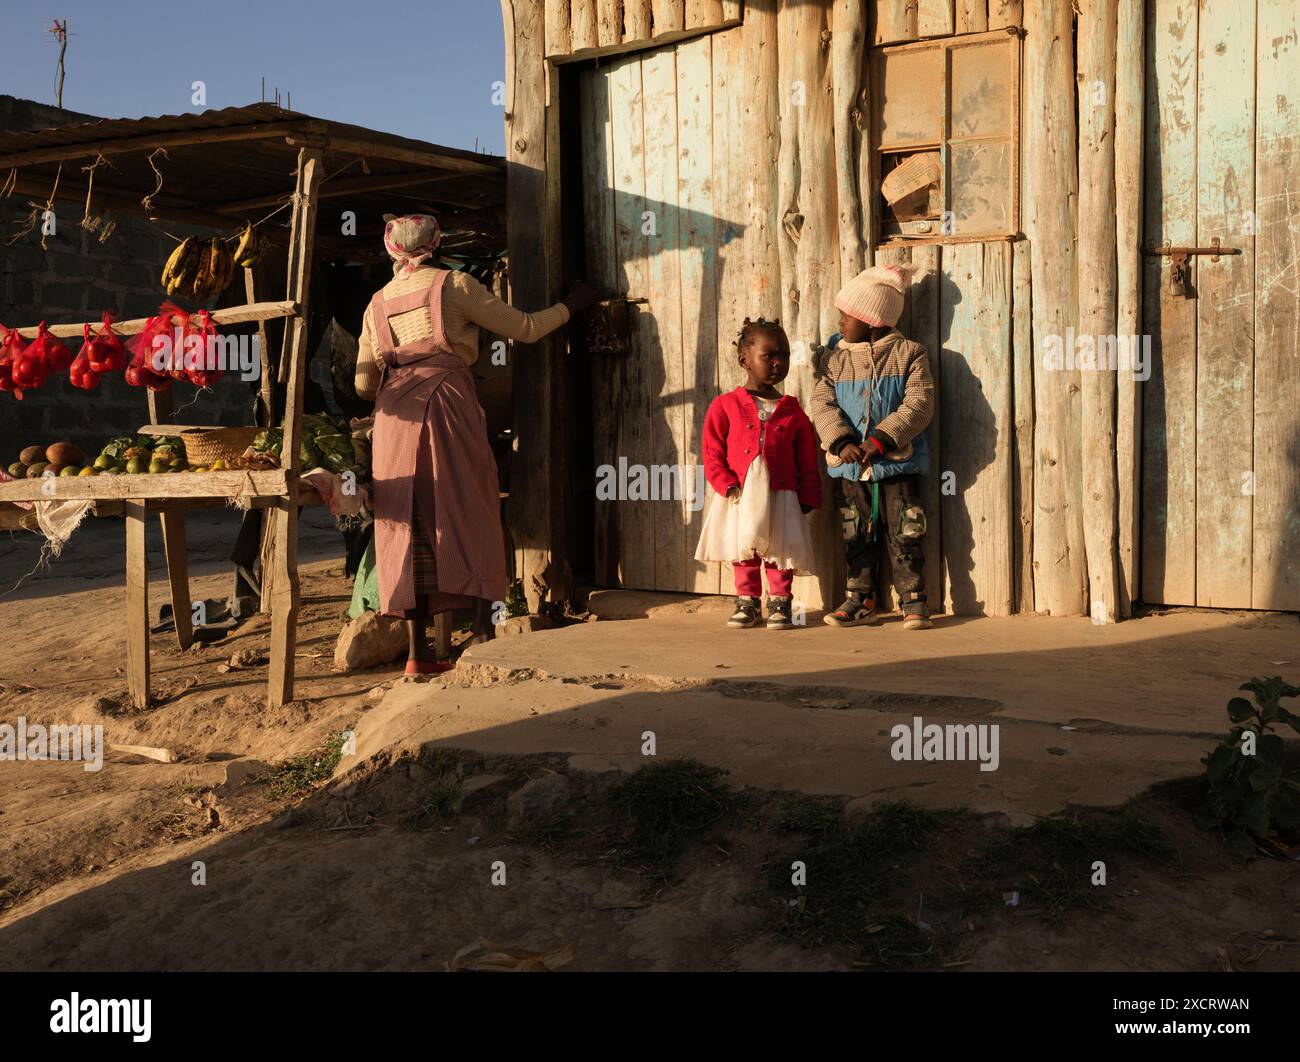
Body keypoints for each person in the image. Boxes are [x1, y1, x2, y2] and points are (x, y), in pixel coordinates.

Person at [353, 213, 595, 674]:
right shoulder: (456, 286)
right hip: (446, 405)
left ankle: (417, 655)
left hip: (392, 418)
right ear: (436, 243)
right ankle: (482, 636)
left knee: (408, 520)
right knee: (469, 506)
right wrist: (570, 307)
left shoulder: (376, 304)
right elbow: (524, 328)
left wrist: (398, 367)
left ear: (392, 250)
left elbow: (364, 384)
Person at [811, 264, 935, 630]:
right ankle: (860, 599)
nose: (840, 323)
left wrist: (881, 438)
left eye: (846, 316)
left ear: (873, 319)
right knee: (855, 531)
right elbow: (821, 402)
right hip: (851, 468)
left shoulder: (911, 354)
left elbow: (920, 404)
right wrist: (842, 441)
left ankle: (914, 600)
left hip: (898, 464)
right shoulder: (834, 359)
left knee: (906, 531)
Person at [695, 318, 822, 630]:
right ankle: (747, 601)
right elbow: (712, 453)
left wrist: (808, 493)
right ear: (744, 360)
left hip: (781, 492)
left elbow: (806, 457)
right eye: (769, 356)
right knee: (745, 543)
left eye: (784, 356)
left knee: (781, 545)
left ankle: (780, 600)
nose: (778, 363)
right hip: (741, 493)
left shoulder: (792, 410)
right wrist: (725, 484)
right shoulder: (724, 406)